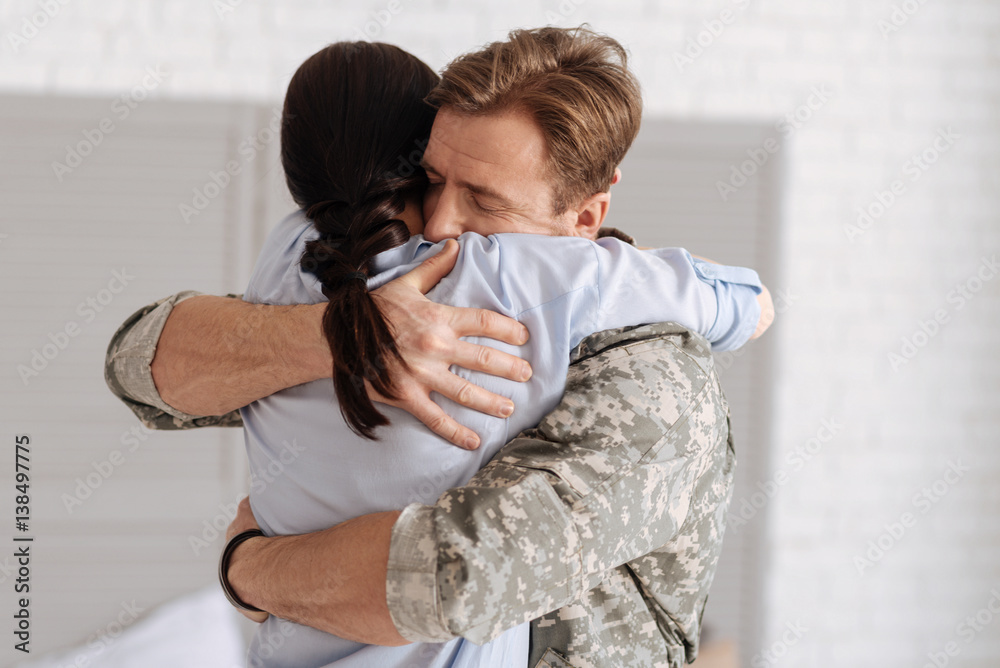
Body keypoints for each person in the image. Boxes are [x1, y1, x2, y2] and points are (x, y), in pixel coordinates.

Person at [105, 27, 773, 667]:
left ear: (586, 220)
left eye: (483, 200)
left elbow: (454, 577)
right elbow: (137, 367)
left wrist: (247, 569)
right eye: (428, 180)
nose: (440, 222)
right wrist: (343, 336)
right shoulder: (384, 283)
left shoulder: (654, 376)